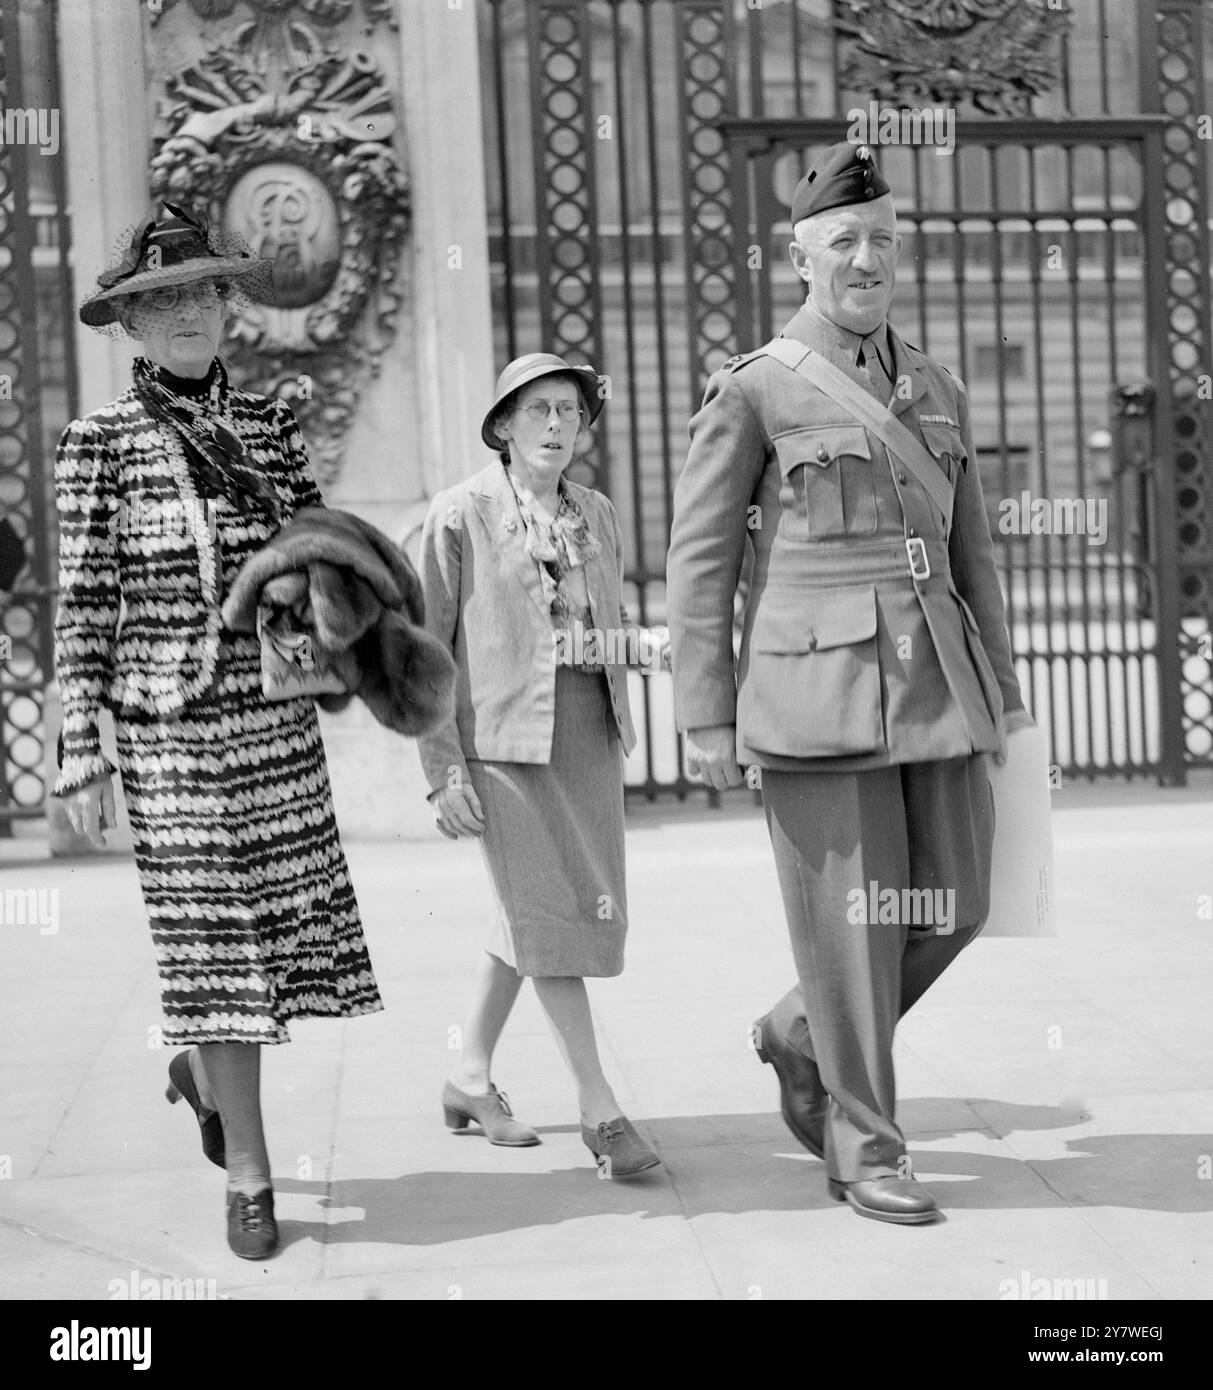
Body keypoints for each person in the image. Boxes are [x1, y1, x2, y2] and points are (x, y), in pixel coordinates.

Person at [666, 143, 1034, 1224]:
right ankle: (865, 1146)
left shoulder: (938, 383)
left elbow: (974, 556)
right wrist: (703, 711)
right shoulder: (756, 389)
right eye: (843, 242)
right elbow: (700, 559)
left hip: (938, 685)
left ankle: (796, 1031)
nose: (864, 258)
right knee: (851, 931)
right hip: (814, 695)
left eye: (881, 239)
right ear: (800, 258)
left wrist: (1000, 690)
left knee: (957, 902)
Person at [53, 203, 384, 1258]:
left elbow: (318, 549)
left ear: (223, 305)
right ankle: (249, 1170)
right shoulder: (97, 444)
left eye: (201, 292)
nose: (188, 313)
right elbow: (83, 600)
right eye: (162, 300)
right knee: (212, 948)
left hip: (270, 719)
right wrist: (78, 746)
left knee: (276, 941)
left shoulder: (270, 423)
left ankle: (201, 1075)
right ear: (132, 325)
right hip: (164, 732)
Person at [417, 352, 667, 1177]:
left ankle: (465, 1076)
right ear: (503, 427)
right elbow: (423, 651)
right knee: (552, 918)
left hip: (584, 737)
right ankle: (600, 1109)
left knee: (538, 913)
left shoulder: (594, 510)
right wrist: (442, 769)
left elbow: (600, 623)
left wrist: (647, 649)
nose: (557, 426)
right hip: (502, 748)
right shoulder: (457, 516)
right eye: (539, 412)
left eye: (570, 412)